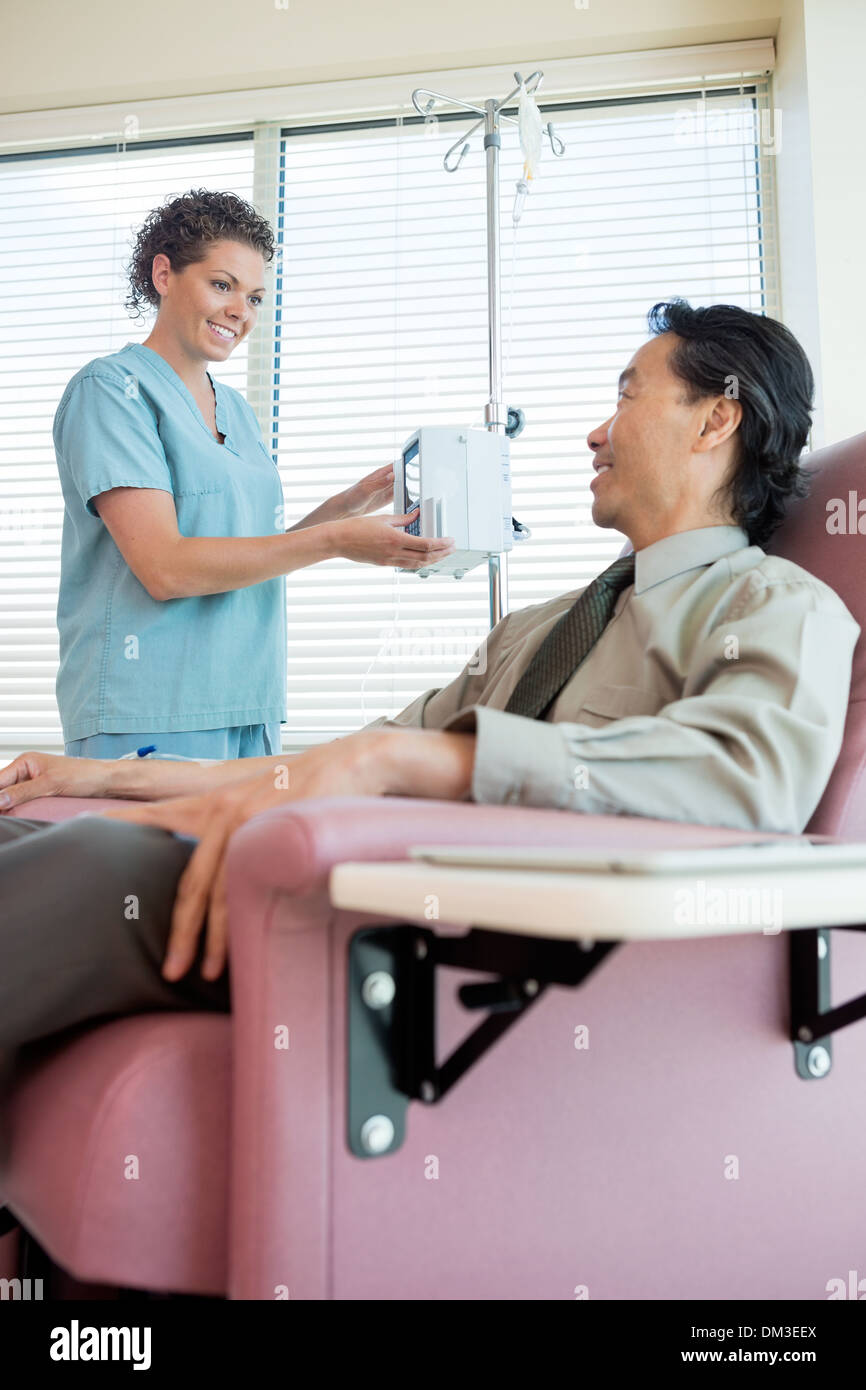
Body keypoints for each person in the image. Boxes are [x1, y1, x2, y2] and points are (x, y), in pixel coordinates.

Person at [0, 300, 859, 1052]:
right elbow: (342, 762)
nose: (596, 432)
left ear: (715, 421)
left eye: (628, 397)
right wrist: (99, 777)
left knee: (98, 864)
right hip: (348, 883)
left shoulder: (776, 607)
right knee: (30, 833)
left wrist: (405, 763)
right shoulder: (541, 629)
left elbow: (747, 779)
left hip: (447, 939)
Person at [53, 188, 454, 761]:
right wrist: (336, 541)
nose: (241, 311)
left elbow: (249, 553)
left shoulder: (237, 411)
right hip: (149, 708)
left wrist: (347, 506)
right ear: (164, 275)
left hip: (249, 704)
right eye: (222, 285)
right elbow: (165, 567)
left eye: (255, 297)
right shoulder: (113, 392)